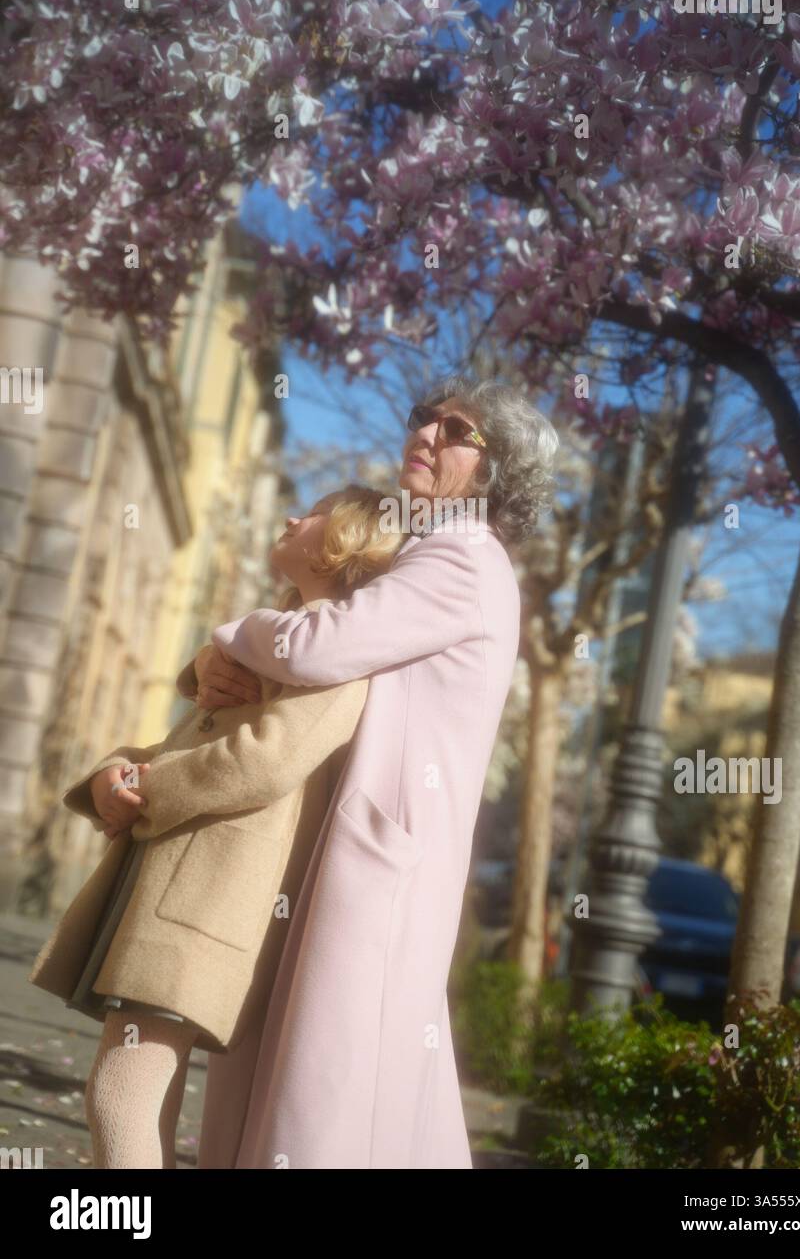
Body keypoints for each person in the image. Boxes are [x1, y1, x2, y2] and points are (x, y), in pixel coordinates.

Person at [188, 378, 559, 1169]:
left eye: (457, 431)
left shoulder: (463, 556)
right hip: (370, 847)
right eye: (424, 418)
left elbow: (317, 646)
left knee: (331, 1079)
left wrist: (233, 634)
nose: (426, 434)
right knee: (361, 1077)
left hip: (380, 855)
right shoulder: (433, 551)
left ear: (494, 476)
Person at [29, 485, 406, 1168]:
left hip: (204, 909)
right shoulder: (275, 637)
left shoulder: (337, 657)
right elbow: (187, 745)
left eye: (316, 513)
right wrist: (112, 776)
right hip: (165, 890)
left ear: (348, 540)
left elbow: (266, 763)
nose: (294, 515)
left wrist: (148, 790)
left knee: (121, 1093)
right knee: (142, 1094)